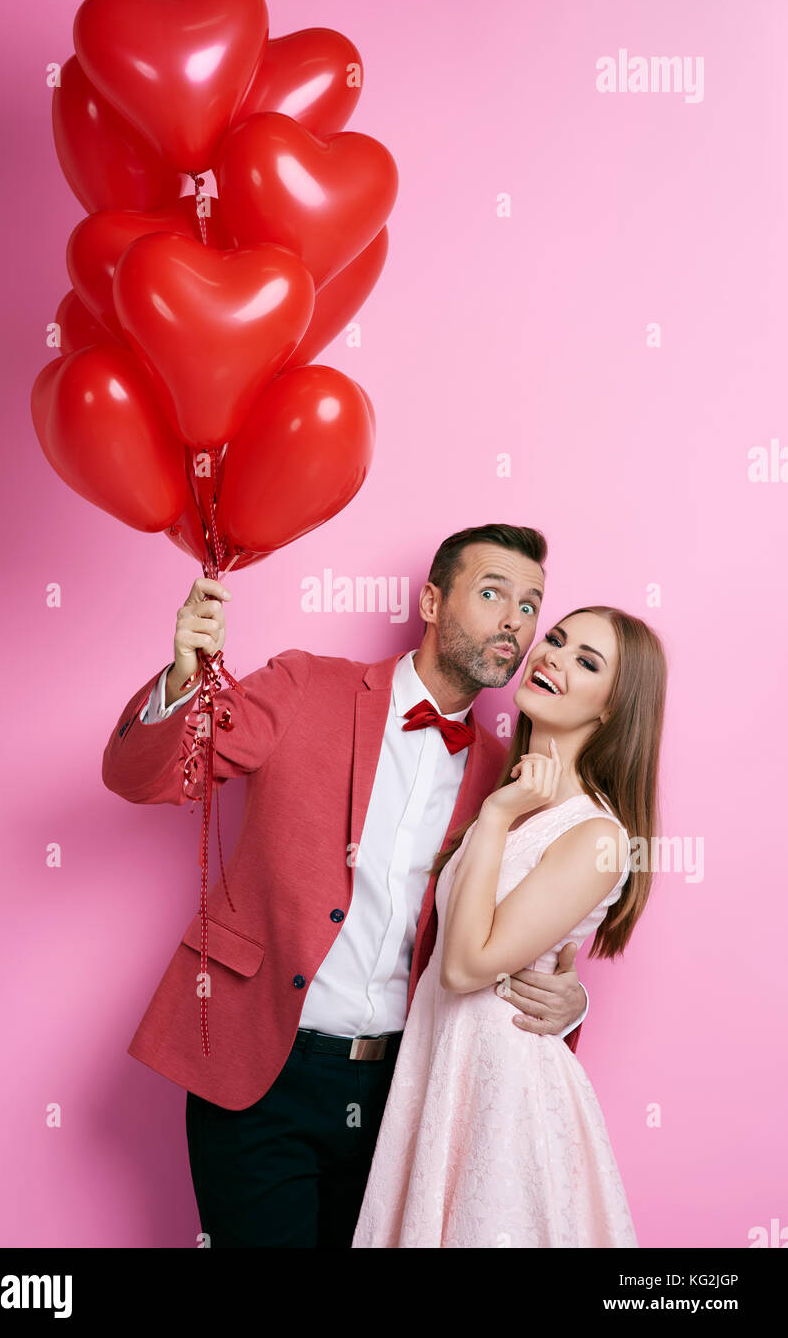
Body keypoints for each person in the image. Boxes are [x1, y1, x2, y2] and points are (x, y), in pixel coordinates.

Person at [102, 525, 591, 1248]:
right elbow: (143, 778)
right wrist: (180, 682)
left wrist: (569, 1002)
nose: (513, 621)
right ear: (431, 600)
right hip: (257, 1069)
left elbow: (512, 938)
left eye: (530, 606)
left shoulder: (505, 778)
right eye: (491, 593)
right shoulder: (304, 685)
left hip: (405, 1091)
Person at [352, 605, 667, 1247]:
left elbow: (466, 966)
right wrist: (502, 811)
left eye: (586, 661)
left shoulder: (595, 833)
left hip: (504, 1094)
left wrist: (494, 817)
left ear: (612, 709)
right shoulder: (517, 798)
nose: (551, 655)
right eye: (554, 639)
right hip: (441, 1068)